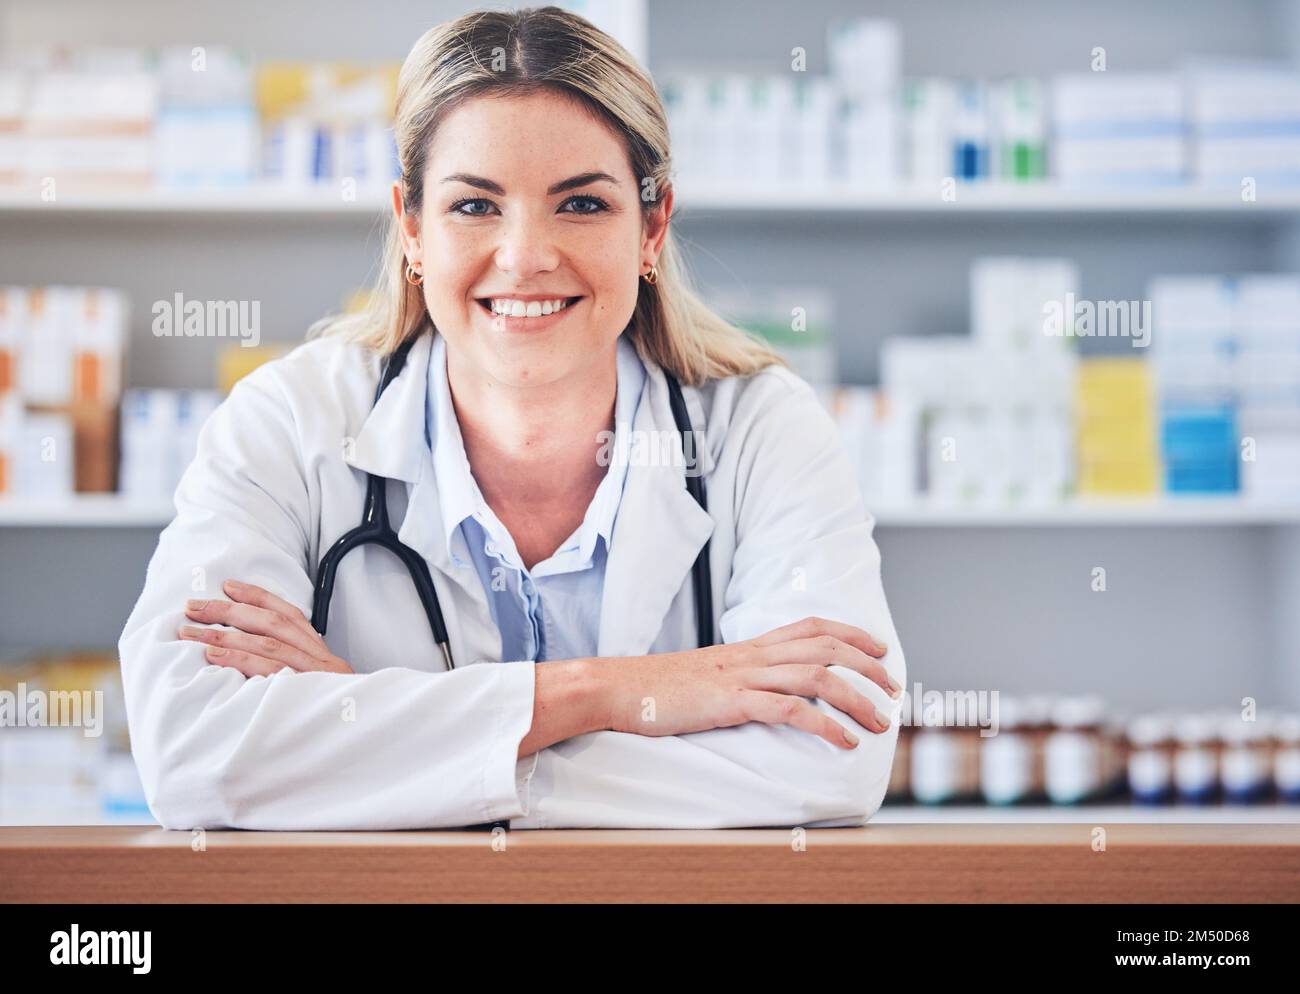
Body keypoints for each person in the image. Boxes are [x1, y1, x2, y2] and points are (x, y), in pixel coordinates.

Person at [118, 6, 907, 831]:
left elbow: (837, 754)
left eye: (581, 205)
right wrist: (616, 691)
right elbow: (192, 750)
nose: (526, 255)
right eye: (474, 206)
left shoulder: (762, 432)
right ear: (412, 228)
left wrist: (376, 726)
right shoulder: (288, 423)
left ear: (653, 226)